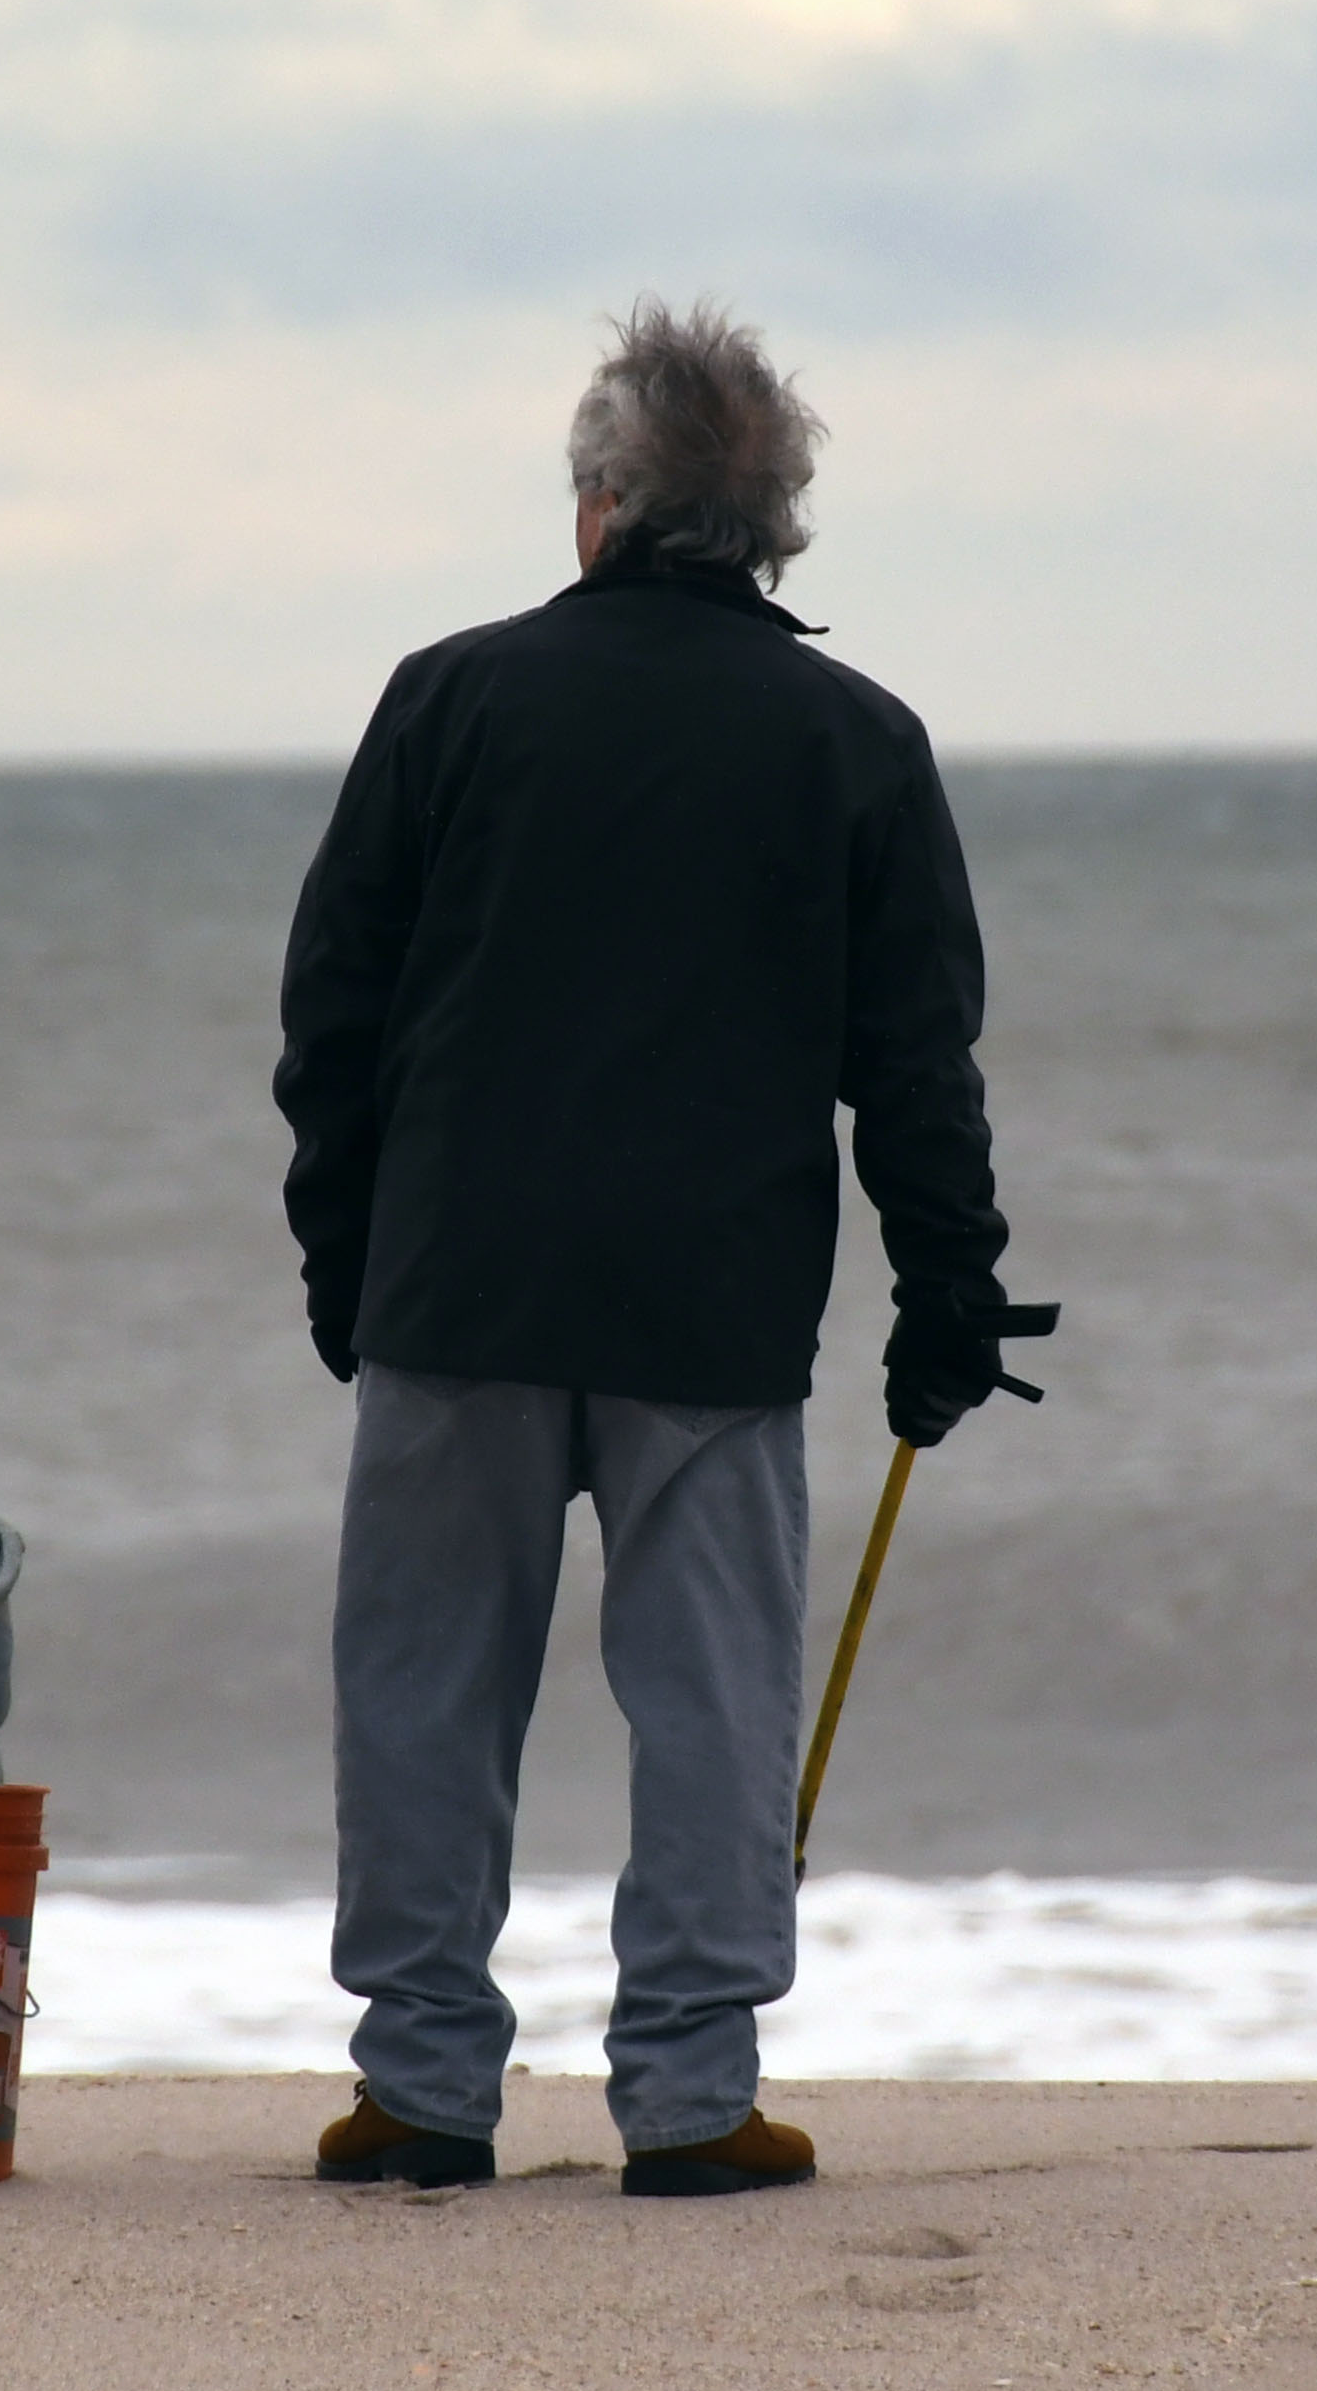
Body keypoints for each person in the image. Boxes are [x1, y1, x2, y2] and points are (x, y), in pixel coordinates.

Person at [272, 297, 1047, 2199]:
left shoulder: (449, 696)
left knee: (422, 1682)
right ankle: (691, 2099)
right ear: (772, 522)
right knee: (709, 1699)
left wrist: (338, 1255)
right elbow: (915, 1062)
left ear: (600, 504)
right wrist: (947, 1294)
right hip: (711, 1304)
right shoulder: (855, 739)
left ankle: (423, 2089)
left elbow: (335, 1016)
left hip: (456, 1281)